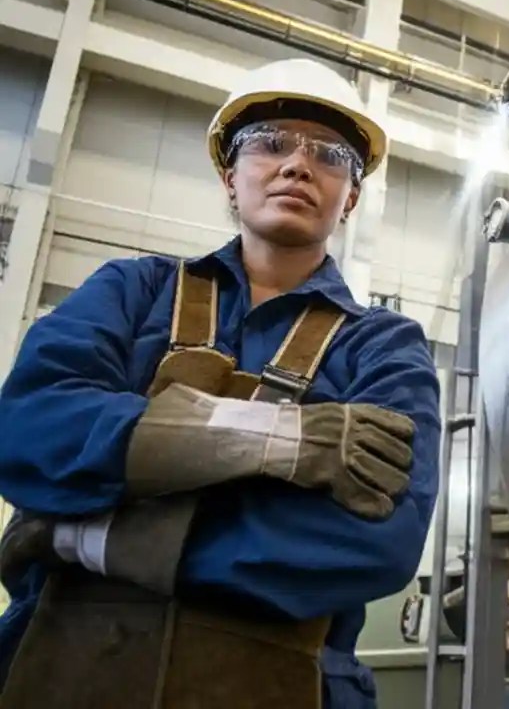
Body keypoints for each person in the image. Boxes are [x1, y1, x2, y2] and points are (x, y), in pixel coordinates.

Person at [0, 58, 441, 708]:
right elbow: (30, 428)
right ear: (228, 176)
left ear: (350, 196)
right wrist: (282, 440)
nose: (297, 164)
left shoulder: (383, 345)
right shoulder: (133, 291)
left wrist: (92, 535)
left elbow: (381, 538)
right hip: (54, 671)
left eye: (330, 155)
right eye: (269, 143)